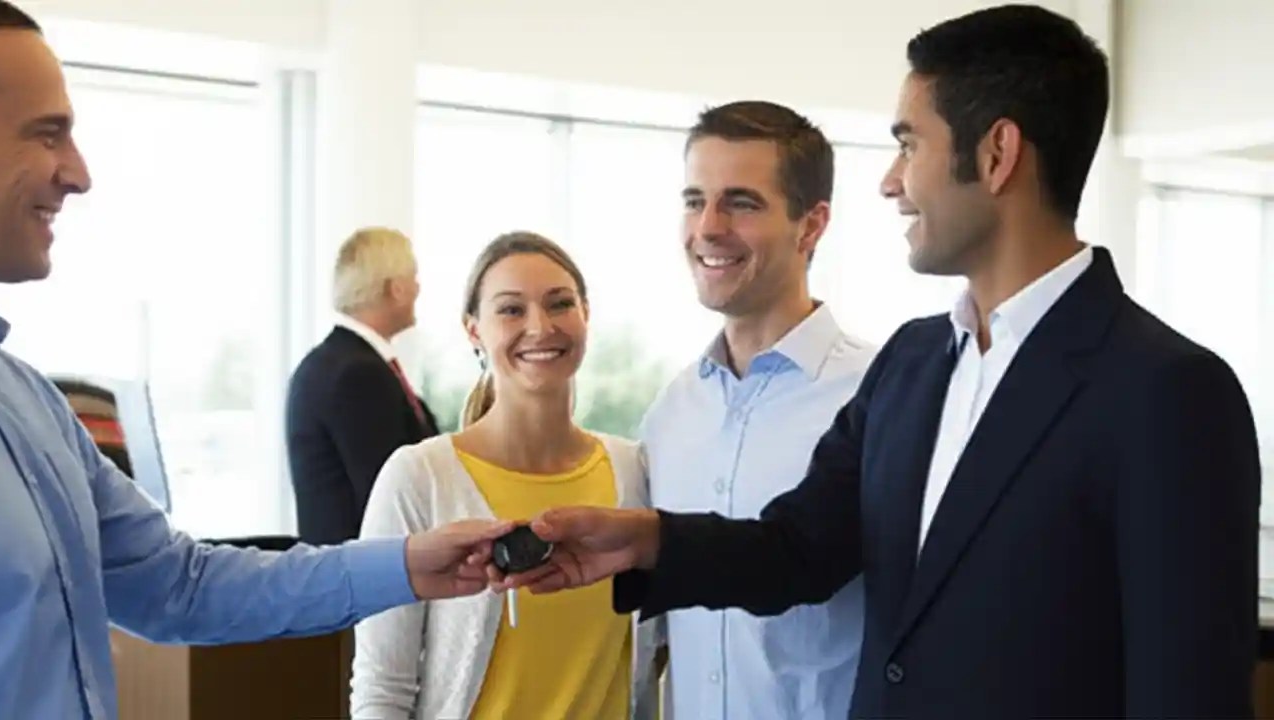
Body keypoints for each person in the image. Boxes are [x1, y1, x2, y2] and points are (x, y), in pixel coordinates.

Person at [496, 5, 1263, 719]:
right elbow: (800, 550)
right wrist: (646, 539)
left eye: (908, 144)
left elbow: (1186, 691)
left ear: (997, 154)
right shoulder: (915, 362)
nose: (890, 182)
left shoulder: (1166, 391)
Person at [0, 5, 512, 719]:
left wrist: (407, 563)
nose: (78, 176)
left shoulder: (32, 405)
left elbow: (183, 585)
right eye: (48, 134)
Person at [350, 232, 659, 720]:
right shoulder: (420, 479)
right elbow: (381, 688)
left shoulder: (635, 471)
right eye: (511, 310)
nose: (540, 326)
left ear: (586, 316)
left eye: (560, 304)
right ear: (474, 330)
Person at [641, 100, 874, 720]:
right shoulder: (670, 414)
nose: (708, 227)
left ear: (812, 225)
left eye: (741, 203)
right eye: (695, 200)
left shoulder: (875, 398)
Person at [286, 226, 439, 545]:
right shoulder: (357, 374)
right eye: (414, 277)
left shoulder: (330, 363)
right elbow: (390, 496)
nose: (419, 287)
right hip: (367, 581)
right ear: (396, 288)